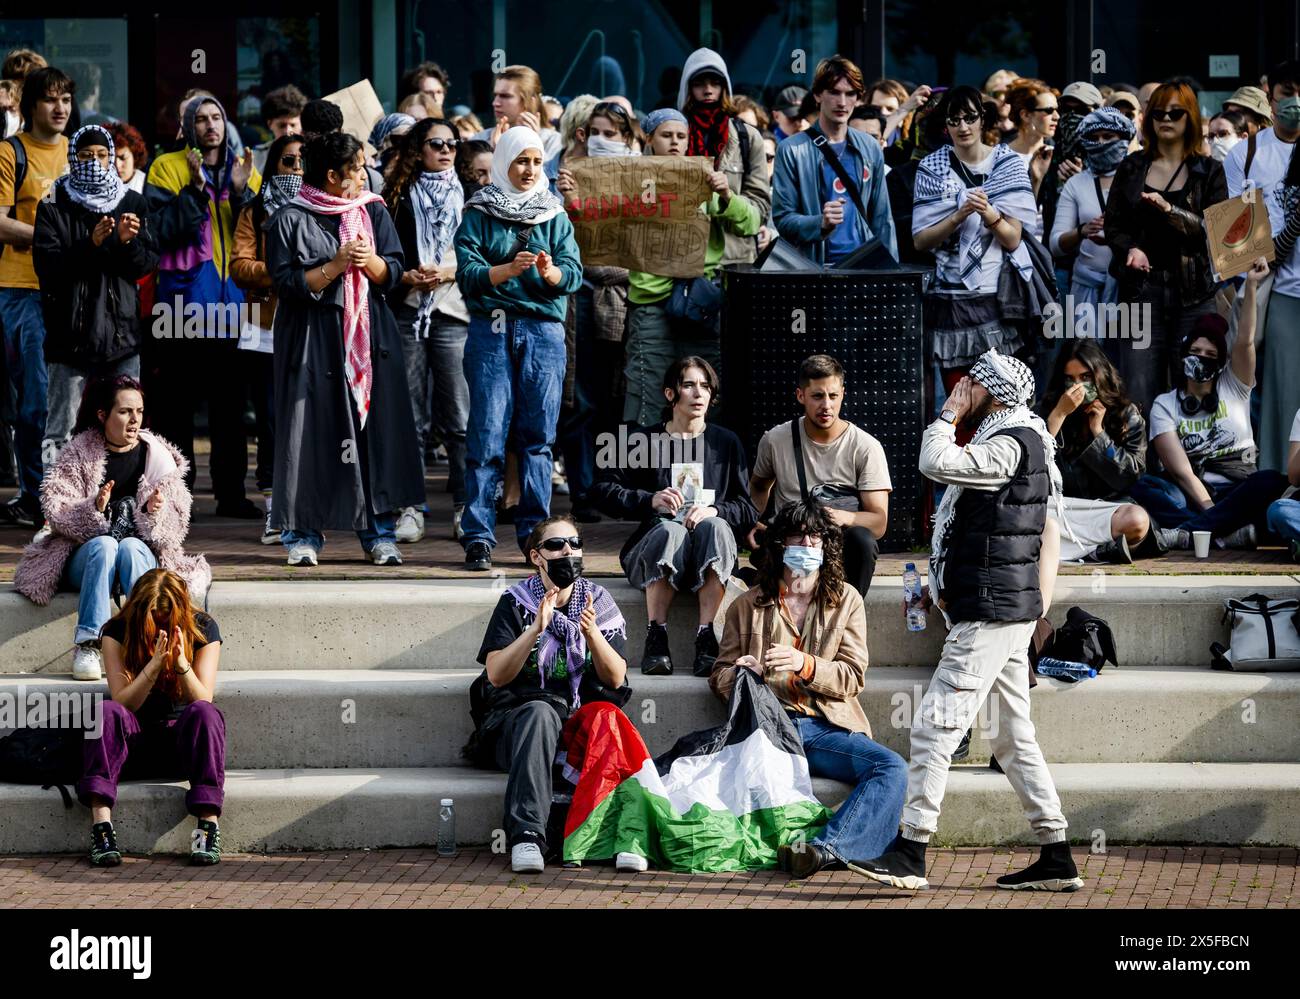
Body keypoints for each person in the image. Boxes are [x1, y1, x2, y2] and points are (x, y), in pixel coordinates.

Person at [855, 351, 1083, 893]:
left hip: (990, 611)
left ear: (992, 393)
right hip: (1004, 608)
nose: (962, 391)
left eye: (970, 385)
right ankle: (1057, 855)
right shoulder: (1021, 436)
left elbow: (935, 462)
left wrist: (945, 416)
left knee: (934, 726)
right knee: (1010, 736)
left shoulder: (1009, 442)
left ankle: (910, 850)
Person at [710, 499, 906, 879]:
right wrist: (742, 674)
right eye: (797, 536)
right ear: (780, 544)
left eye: (815, 537)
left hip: (821, 726)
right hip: (767, 727)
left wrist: (807, 664)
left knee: (891, 767)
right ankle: (826, 849)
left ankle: (821, 850)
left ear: (827, 545)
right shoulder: (746, 605)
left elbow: (852, 676)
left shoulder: (846, 599)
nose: (806, 543)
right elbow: (718, 675)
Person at [264, 131, 423, 567]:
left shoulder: (371, 209)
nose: (362, 174)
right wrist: (335, 264)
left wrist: (365, 259)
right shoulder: (289, 217)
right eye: (355, 168)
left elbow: (392, 271)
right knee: (309, 432)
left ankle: (379, 534)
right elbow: (287, 284)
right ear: (332, 175)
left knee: (372, 432)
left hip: (368, 339)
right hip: (312, 338)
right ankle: (302, 535)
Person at [13, 375, 211, 682]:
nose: (134, 420)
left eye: (139, 412)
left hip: (137, 558)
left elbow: (175, 528)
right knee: (106, 545)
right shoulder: (79, 454)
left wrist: (153, 513)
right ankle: (89, 644)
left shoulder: (157, 458)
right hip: (88, 559)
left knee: (130, 547)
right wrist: (94, 508)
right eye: (124, 412)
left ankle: (145, 642)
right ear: (103, 415)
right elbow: (56, 510)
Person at [469, 515, 631, 874]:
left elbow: (616, 678)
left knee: (607, 717)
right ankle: (527, 835)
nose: (567, 551)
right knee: (540, 711)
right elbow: (496, 676)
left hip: (573, 726)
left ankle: (621, 834)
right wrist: (535, 631)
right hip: (516, 726)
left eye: (574, 544)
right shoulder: (515, 603)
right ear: (536, 557)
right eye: (556, 545)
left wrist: (592, 636)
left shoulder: (599, 604)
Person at [454, 126, 582, 572]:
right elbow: (467, 271)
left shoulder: (554, 213)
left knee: (538, 440)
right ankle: (478, 536)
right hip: (492, 331)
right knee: (487, 435)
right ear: (505, 161)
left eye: (535, 161)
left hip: (544, 333)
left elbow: (573, 271)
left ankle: (536, 535)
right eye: (520, 161)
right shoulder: (479, 210)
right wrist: (505, 270)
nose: (529, 170)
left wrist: (551, 276)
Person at [592, 357, 757, 677]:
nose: (699, 393)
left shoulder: (726, 443)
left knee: (716, 525)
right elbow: (600, 491)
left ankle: (707, 636)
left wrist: (715, 510)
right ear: (670, 394)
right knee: (671, 530)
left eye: (706, 386)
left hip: (709, 552)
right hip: (657, 550)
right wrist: (648, 500)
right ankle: (657, 635)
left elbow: (748, 509)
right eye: (689, 385)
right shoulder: (642, 441)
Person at [143, 94, 263, 519]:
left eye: (217, 118)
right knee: (176, 409)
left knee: (230, 408)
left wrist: (241, 191)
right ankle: (178, 498)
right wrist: (195, 191)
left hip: (233, 306)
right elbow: (159, 233)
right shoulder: (166, 167)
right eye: (201, 119)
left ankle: (232, 494)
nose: (210, 126)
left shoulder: (244, 168)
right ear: (187, 125)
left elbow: (260, 232)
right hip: (181, 306)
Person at [616, 107, 760, 426]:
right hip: (652, 303)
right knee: (651, 395)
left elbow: (751, 223)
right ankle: (647, 475)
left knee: (702, 396)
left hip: (698, 303)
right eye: (666, 136)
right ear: (649, 138)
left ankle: (698, 475)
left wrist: (725, 195)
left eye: (681, 136)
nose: (675, 143)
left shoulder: (702, 177)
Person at [76, 568, 225, 867]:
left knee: (206, 713)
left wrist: (182, 665)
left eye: (166, 617)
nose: (160, 625)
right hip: (131, 745)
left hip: (180, 745)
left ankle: (208, 825)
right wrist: (153, 667)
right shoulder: (117, 631)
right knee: (106, 711)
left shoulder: (203, 628)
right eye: (154, 617)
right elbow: (123, 702)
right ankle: (101, 827)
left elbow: (203, 697)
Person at [33, 124, 157, 480]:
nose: (94, 163)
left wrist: (124, 243)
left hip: (121, 339)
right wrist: (91, 244)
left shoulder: (131, 202)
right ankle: (56, 510)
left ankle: (121, 502)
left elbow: (146, 264)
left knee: (126, 426)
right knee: (61, 429)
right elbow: (48, 266)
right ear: (73, 159)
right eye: (86, 156)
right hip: (69, 339)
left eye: (102, 156)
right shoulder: (54, 203)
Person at [1129, 269, 1286, 548]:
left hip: (1238, 489)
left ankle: (1187, 534)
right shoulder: (1165, 405)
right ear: (1184, 354)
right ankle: (1224, 536)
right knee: (1145, 488)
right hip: (1194, 492)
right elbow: (1183, 474)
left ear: (1221, 363)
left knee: (1271, 481)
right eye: (1196, 351)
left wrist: (1251, 285)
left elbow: (1246, 340)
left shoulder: (1234, 385)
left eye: (1210, 355)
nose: (1201, 358)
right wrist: (1214, 515)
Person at [1105, 82, 1227, 417]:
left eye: (1176, 112)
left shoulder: (1210, 171)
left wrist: (1170, 211)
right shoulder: (1131, 167)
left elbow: (1215, 232)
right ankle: (1145, 469)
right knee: (1139, 391)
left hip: (1194, 294)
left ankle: (1188, 467)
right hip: (1141, 292)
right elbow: (1113, 225)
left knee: (1194, 386)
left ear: (1190, 117)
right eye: (1158, 113)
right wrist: (1130, 249)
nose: (1166, 119)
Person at [912, 86, 1036, 397]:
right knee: (957, 402)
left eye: (969, 118)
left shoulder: (1008, 164)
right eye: (954, 120)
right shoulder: (931, 167)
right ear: (946, 126)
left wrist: (990, 214)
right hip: (947, 297)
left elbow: (1013, 239)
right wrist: (957, 215)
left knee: (999, 399)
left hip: (995, 297)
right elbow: (920, 240)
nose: (963, 127)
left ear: (983, 120)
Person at [383, 117, 471, 543]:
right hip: (409, 309)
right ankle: (410, 508)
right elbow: (384, 255)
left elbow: (482, 255)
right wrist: (406, 277)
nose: (447, 150)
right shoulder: (396, 196)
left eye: (453, 143)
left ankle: (464, 507)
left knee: (458, 416)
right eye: (437, 143)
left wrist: (446, 271)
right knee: (411, 417)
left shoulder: (471, 195)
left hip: (454, 311)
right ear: (419, 149)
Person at [552, 100, 634, 522]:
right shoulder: (565, 176)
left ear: (627, 139)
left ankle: (613, 486)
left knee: (616, 398)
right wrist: (567, 199)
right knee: (580, 398)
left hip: (626, 298)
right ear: (583, 135)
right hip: (580, 297)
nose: (604, 140)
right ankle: (584, 490)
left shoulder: (639, 176)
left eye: (613, 133)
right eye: (596, 131)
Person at [749, 354, 891, 597]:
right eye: (817, 396)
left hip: (837, 544)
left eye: (833, 396)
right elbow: (759, 485)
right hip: (791, 543)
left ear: (843, 394)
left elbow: (878, 523)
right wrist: (753, 520)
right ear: (800, 396)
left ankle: (847, 614)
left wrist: (841, 516)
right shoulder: (775, 439)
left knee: (862, 540)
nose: (826, 405)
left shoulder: (866, 446)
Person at [0, 66, 73, 529]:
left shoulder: (78, 150)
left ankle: (62, 494)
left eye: (66, 98)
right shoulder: (11, 153)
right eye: (50, 99)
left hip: (71, 292)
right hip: (22, 289)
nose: (60, 107)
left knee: (69, 400)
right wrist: (50, 239)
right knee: (35, 399)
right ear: (30, 105)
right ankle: (35, 492)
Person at [231, 131, 304, 546]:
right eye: (287, 161)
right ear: (273, 164)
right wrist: (282, 272)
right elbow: (240, 265)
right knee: (273, 420)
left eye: (301, 162)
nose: (295, 169)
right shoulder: (255, 210)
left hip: (311, 325)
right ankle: (275, 509)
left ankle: (305, 507)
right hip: (264, 326)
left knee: (308, 417)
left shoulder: (320, 206)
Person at [1227, 62, 1300, 472]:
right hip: (1283, 292)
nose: (1296, 103)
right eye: (1288, 93)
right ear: (1269, 96)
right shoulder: (1246, 154)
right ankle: (1280, 487)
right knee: (1281, 400)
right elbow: (1232, 243)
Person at [1039, 339, 1167, 563]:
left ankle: (1087, 551)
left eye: (1086, 378)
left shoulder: (1125, 414)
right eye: (1070, 379)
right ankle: (1101, 551)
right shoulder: (1046, 411)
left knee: (1137, 520)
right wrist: (1058, 417)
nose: (1077, 387)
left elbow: (1129, 477)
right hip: (1062, 509)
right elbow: (1033, 471)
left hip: (1105, 509)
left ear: (1100, 376)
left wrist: (1099, 434)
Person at [771, 55, 895, 265]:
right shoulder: (791, 149)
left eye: (850, 94)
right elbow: (783, 219)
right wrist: (820, 223)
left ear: (858, 98)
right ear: (818, 95)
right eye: (834, 92)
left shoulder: (870, 147)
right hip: (812, 267)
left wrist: (891, 273)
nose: (842, 102)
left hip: (862, 265)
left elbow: (883, 220)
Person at [677, 48, 770, 267]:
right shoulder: (668, 135)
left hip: (733, 265)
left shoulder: (749, 137)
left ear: (725, 88)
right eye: (700, 83)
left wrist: (727, 197)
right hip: (680, 264)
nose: (708, 90)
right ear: (687, 88)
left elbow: (758, 215)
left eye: (715, 83)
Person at [1049, 106, 1136, 321]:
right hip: (1085, 289)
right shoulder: (1076, 183)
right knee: (1085, 353)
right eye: (1094, 137)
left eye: (1108, 136)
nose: (1101, 143)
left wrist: (1119, 238)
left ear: (1123, 138)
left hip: (1130, 288)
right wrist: (1082, 231)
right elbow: (1055, 245)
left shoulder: (1139, 178)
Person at [471, 65, 562, 162]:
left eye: (505, 96)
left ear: (530, 101)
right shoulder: (480, 139)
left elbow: (551, 175)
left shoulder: (553, 141)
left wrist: (533, 144)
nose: (495, 103)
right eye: (495, 95)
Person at [1004, 78, 1058, 235]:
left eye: (1056, 109)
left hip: (1052, 247)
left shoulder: (1057, 155)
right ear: (1026, 115)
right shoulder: (1001, 158)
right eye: (1048, 110)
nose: (1056, 116)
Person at [299, 98, 385, 194]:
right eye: (321, 141)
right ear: (304, 136)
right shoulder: (292, 176)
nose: (328, 146)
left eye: (334, 138)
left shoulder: (370, 179)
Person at [250, 84, 306, 175]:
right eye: (282, 125)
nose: (288, 131)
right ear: (270, 124)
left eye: (293, 125)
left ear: (301, 124)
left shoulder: (312, 156)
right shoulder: (256, 157)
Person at [106, 121, 148, 194]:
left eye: (123, 158)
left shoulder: (147, 188)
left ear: (135, 156)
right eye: (111, 160)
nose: (117, 166)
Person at [369, 111, 416, 176]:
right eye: (398, 140)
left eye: (409, 141)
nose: (402, 146)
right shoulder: (364, 163)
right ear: (382, 136)